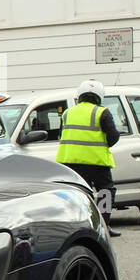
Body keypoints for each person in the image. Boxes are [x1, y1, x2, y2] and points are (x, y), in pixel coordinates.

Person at [55, 80, 121, 237]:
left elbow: (62, 135)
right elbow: (113, 136)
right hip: (96, 162)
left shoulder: (67, 113)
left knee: (76, 194)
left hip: (69, 162)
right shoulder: (102, 112)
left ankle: (74, 227)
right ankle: (103, 227)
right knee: (106, 191)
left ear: (80, 96)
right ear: (99, 97)